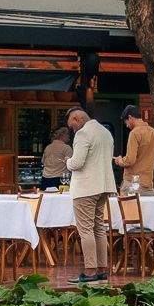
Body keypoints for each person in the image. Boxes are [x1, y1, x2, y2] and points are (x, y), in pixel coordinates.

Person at [66, 107, 116, 283]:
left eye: (72, 125)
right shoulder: (105, 132)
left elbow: (77, 163)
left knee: (85, 229)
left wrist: (67, 162)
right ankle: (102, 268)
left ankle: (89, 271)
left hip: (86, 188)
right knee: (99, 228)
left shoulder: (83, 134)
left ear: (78, 118)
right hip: (103, 186)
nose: (73, 129)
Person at [113, 105, 154, 191]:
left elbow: (130, 160)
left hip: (132, 183)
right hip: (148, 184)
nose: (127, 126)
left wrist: (120, 161)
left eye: (126, 122)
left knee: (127, 205)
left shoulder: (134, 133)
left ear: (130, 117)